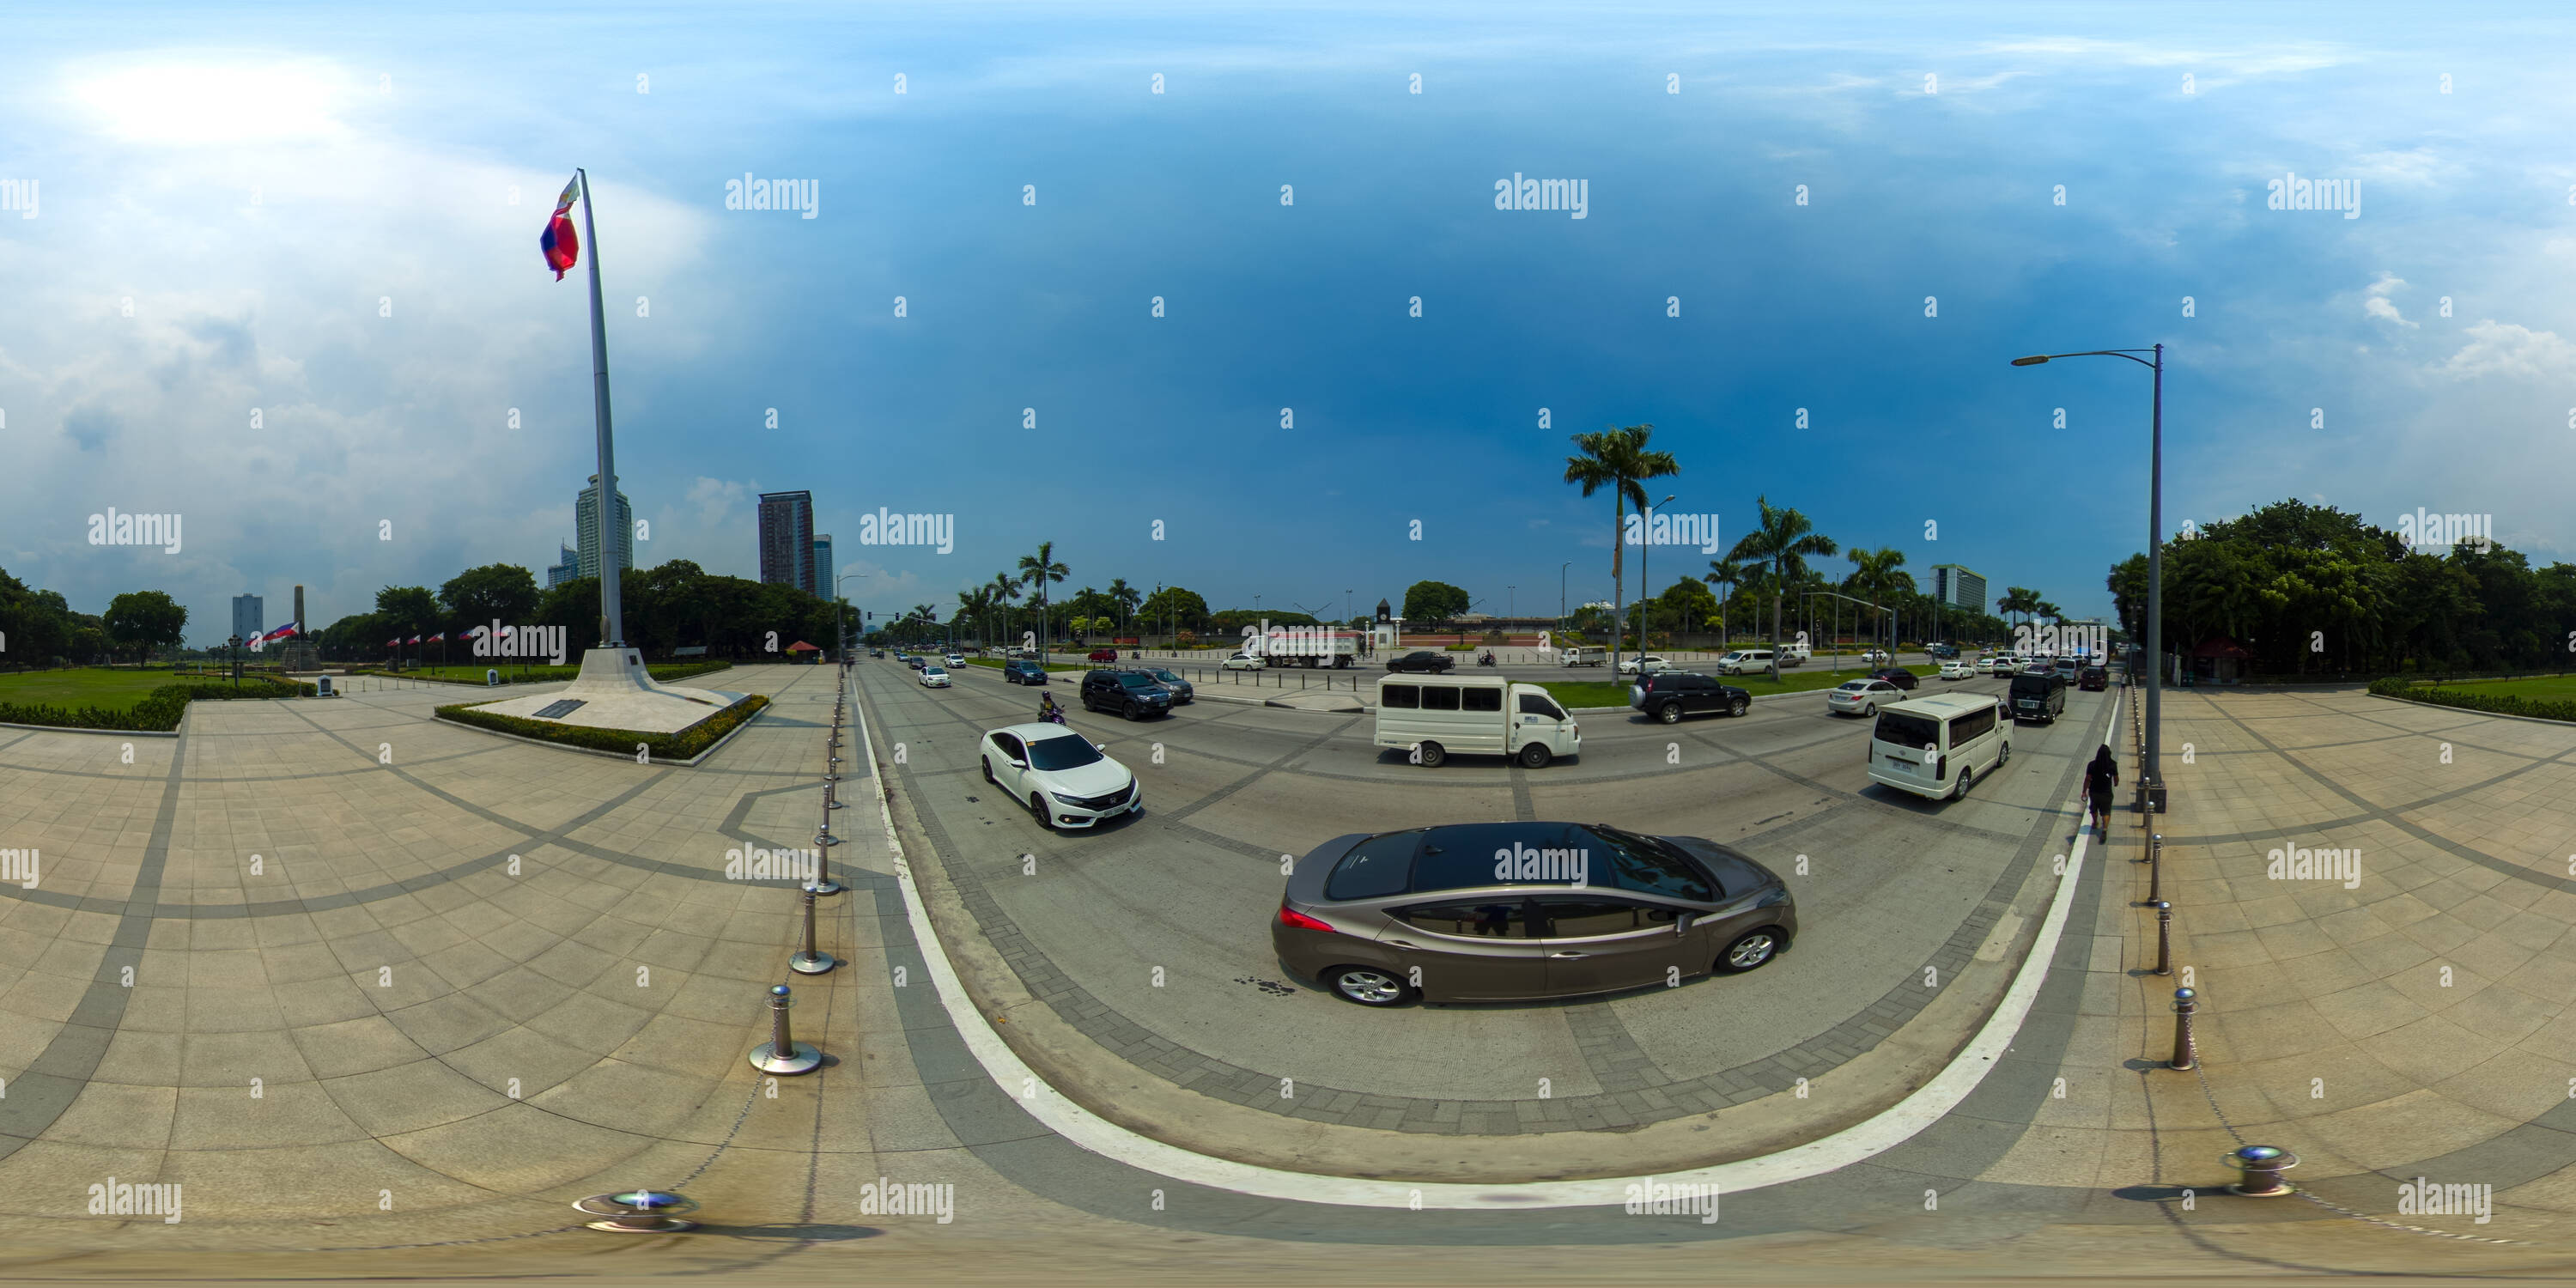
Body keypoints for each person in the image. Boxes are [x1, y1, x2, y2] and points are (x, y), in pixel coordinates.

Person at [2083, 744, 2119, 835]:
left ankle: (2095, 823)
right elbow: (2116, 778)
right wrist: (2116, 783)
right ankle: (2105, 829)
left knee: (2094, 808)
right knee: (2106, 811)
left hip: (2094, 791)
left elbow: (2087, 778)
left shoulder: (2092, 765)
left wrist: (2084, 791)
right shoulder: (2113, 765)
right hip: (2106, 792)